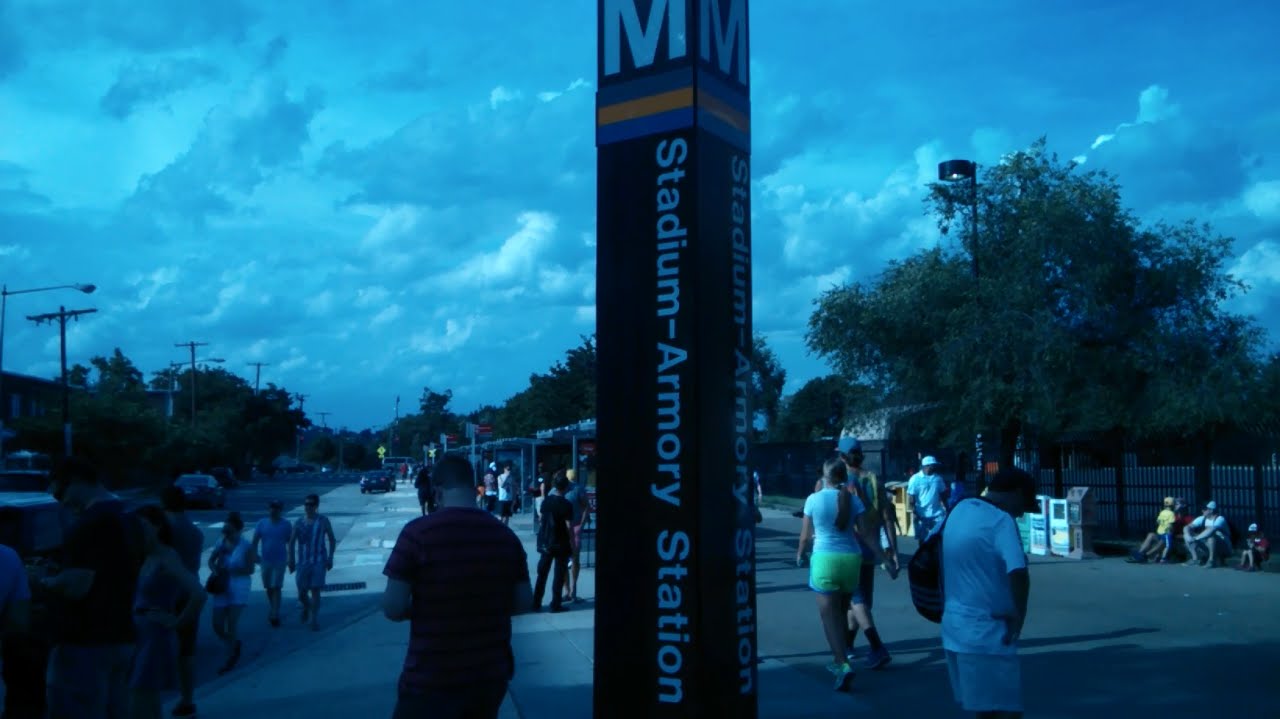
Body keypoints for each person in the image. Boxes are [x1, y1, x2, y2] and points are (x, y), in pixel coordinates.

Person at [382, 455, 532, 719]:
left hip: (431, 677)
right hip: (488, 677)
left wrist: (433, 606)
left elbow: (393, 608)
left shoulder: (417, 534)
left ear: (437, 491)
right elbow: (523, 602)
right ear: (475, 487)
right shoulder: (504, 536)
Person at [41, 457, 141, 719]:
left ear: (75, 482)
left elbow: (78, 586)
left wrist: (45, 581)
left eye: (60, 493)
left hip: (85, 641)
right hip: (122, 635)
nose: (60, 502)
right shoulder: (128, 516)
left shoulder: (89, 524)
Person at [941, 467, 1038, 719]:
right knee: (1006, 712)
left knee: (984, 710)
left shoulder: (959, 509)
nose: (1020, 513)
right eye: (1023, 505)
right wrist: (1019, 616)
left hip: (956, 628)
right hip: (989, 633)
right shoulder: (1001, 520)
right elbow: (1018, 572)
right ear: (1016, 493)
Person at [795, 459, 886, 692]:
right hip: (851, 562)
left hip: (825, 561)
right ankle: (842, 658)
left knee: (829, 618)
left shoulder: (813, 500)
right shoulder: (853, 499)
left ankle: (842, 663)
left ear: (824, 477)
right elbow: (865, 533)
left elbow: (805, 536)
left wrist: (799, 554)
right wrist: (882, 556)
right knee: (843, 612)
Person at [129, 505, 207, 719]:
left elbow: (199, 594)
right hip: (139, 632)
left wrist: (178, 622)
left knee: (139, 699)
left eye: (143, 526)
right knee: (148, 701)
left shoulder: (166, 556)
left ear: (158, 526)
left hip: (154, 634)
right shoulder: (146, 556)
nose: (138, 531)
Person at [835, 437, 899, 669]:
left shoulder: (843, 483)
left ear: (842, 457)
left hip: (850, 546)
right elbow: (887, 517)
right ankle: (849, 644)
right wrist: (892, 552)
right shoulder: (872, 479)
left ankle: (876, 647)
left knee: (857, 600)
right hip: (871, 547)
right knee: (860, 601)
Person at [159, 485, 204, 718]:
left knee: (158, 647)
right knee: (187, 649)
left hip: (167, 592)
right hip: (191, 588)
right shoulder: (194, 531)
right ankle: (187, 698)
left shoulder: (165, 529)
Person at [208, 511, 254, 674]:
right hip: (222, 583)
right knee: (217, 624)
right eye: (225, 530)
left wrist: (233, 569)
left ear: (238, 530)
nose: (226, 534)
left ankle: (229, 658)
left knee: (231, 623)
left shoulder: (246, 546)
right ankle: (233, 643)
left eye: (229, 531)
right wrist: (215, 571)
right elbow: (211, 560)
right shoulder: (221, 542)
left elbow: (250, 569)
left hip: (239, 585)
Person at [289, 493, 336, 630]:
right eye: (306, 504)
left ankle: (313, 620)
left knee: (315, 590)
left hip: (319, 561)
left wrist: (330, 558)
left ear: (316, 506)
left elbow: (332, 540)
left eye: (310, 504)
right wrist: (291, 559)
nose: (307, 507)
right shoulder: (298, 522)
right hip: (303, 562)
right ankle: (306, 607)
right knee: (301, 592)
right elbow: (291, 542)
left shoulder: (323, 521)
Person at [534, 471, 574, 613]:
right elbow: (569, 526)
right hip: (561, 543)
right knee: (559, 574)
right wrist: (572, 544)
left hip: (546, 542)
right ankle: (555, 604)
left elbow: (541, 520)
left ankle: (536, 601)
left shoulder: (546, 502)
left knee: (542, 573)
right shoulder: (566, 505)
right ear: (566, 487)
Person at [252, 500, 292, 626]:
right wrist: (254, 556)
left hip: (280, 561)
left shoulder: (286, 524)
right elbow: (255, 541)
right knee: (269, 587)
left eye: (277, 508)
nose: (274, 510)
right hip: (265, 561)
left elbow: (290, 543)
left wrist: (290, 558)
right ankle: (273, 608)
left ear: (281, 510)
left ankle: (275, 613)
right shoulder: (261, 523)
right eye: (272, 507)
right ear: (269, 509)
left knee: (276, 587)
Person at [563, 468, 590, 603]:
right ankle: (570, 591)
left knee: (572, 559)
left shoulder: (576, 489)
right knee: (569, 560)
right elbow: (586, 506)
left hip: (572, 528)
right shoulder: (575, 489)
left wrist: (581, 525)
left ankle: (571, 591)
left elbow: (586, 506)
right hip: (568, 528)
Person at [907, 456, 947, 541]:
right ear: (927, 466)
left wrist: (947, 508)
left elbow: (943, 494)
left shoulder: (938, 479)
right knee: (923, 540)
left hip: (937, 514)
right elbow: (911, 497)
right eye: (933, 465)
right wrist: (913, 512)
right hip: (921, 515)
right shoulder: (915, 479)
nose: (935, 467)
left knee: (938, 538)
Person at [1128, 497, 1177, 564]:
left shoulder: (1166, 513)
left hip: (1168, 536)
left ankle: (1145, 556)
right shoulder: (1170, 513)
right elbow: (1167, 525)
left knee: (1162, 541)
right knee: (1151, 535)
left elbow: (1160, 522)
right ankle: (1140, 553)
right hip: (1164, 534)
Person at [1183, 501, 1232, 567]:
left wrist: (1196, 538)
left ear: (1211, 510)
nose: (1202, 511)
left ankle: (1211, 561)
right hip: (1209, 545)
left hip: (1224, 547)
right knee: (1187, 534)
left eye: (1204, 509)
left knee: (1211, 536)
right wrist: (1187, 535)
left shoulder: (1220, 519)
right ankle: (1195, 559)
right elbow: (1187, 527)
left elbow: (1211, 530)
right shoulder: (1202, 518)